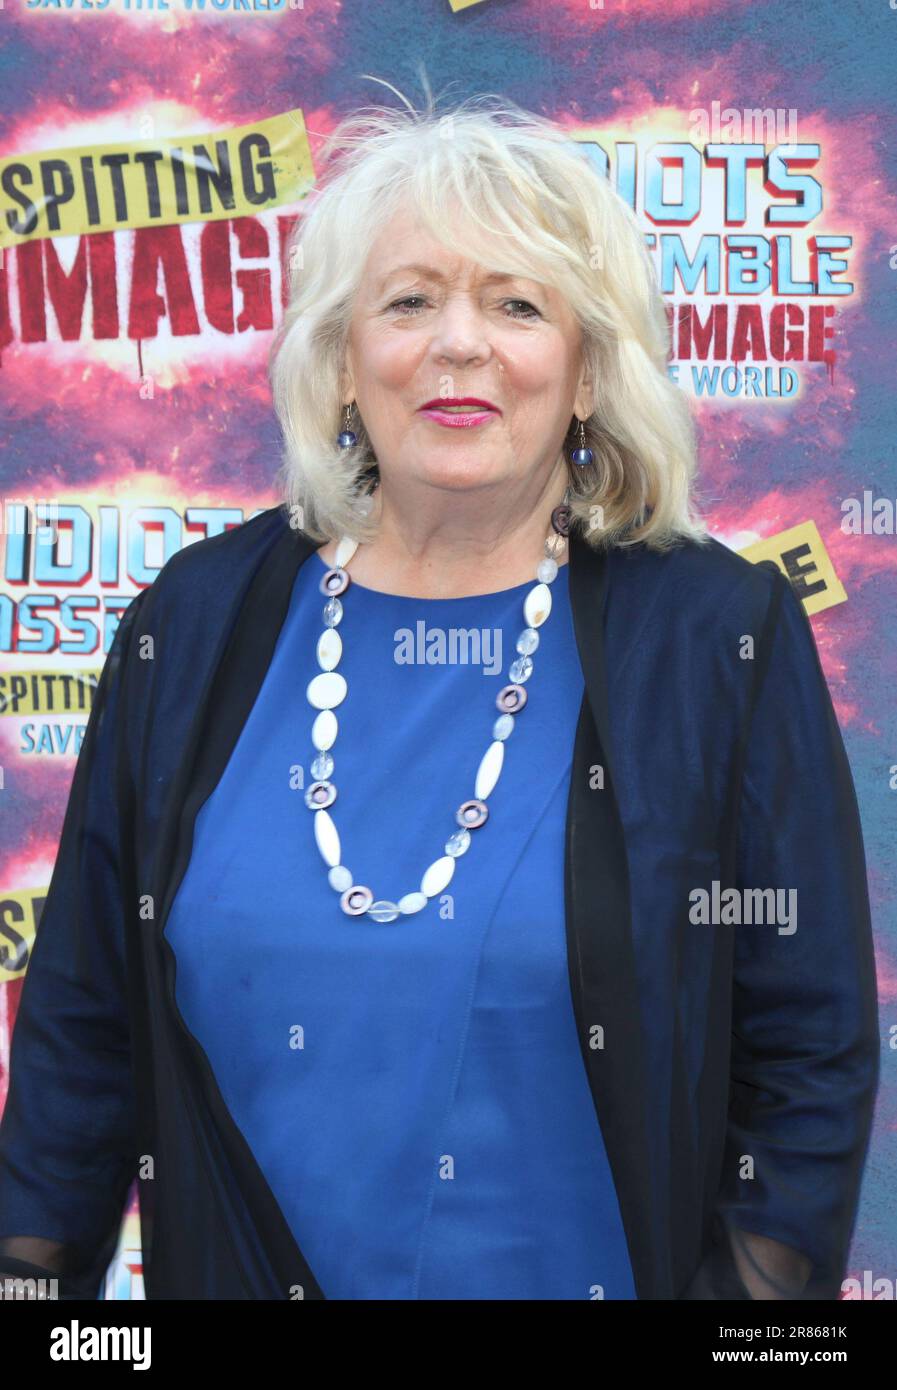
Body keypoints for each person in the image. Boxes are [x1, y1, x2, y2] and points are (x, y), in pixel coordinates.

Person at [0, 95, 879, 1301]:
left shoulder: (717, 635)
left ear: (585, 371)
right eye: (409, 300)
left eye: (517, 304)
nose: (458, 345)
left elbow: (808, 1060)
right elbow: (80, 1046)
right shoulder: (192, 624)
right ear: (342, 361)